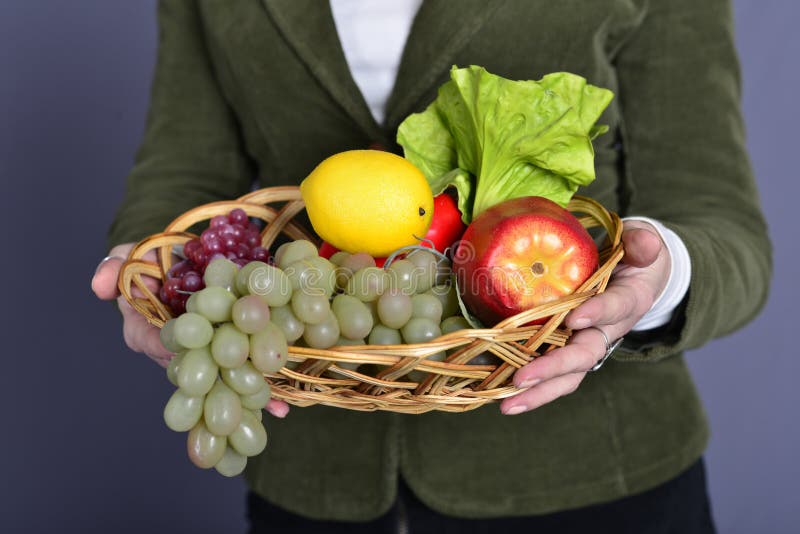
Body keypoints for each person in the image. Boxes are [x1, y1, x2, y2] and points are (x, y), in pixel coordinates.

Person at [91, 1, 771, 532]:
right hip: (313, 475)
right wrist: (147, 263)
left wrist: (654, 281)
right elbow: (184, 168)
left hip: (589, 481)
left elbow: (717, 215)